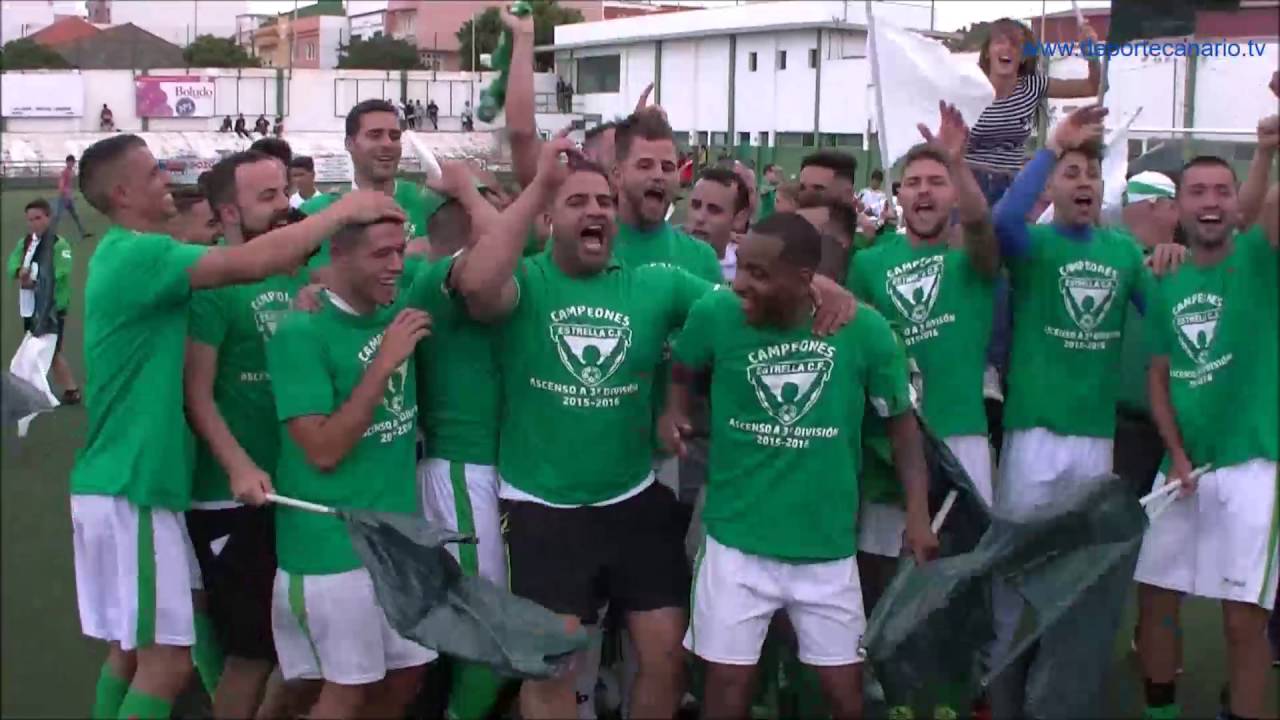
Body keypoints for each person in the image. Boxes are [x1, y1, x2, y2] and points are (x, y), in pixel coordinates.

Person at [67, 132, 402, 720]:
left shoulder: (139, 255)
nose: (166, 179)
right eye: (151, 174)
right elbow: (248, 262)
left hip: (130, 481)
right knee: (170, 664)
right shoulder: (139, 254)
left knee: (131, 655)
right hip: (133, 482)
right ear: (121, 193)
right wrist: (346, 209)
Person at [663, 212, 937, 720]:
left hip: (826, 548)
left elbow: (901, 425)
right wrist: (675, 409)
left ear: (804, 280)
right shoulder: (716, 313)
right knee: (725, 688)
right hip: (735, 544)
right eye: (741, 267)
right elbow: (683, 364)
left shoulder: (864, 331)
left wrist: (917, 514)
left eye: (759, 274)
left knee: (845, 695)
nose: (741, 283)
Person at [987, 105, 1155, 717]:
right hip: (1032, 435)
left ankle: (1058, 701)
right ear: (1053, 186)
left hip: (1094, 443)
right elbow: (1003, 218)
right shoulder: (1032, 247)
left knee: (1079, 583)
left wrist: (1171, 262)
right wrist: (1052, 149)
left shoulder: (1125, 253)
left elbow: (1164, 315)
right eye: (1072, 173)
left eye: (1092, 175)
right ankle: (1000, 696)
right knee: (1011, 568)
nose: (1084, 183)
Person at [266, 215, 446, 719]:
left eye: (399, 252)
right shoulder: (300, 333)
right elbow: (322, 449)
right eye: (380, 255)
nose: (395, 266)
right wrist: (384, 363)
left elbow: (453, 248)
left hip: (398, 541)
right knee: (346, 689)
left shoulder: (399, 301)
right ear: (337, 257)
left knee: (409, 673)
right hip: (331, 549)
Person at [1133, 154, 1278, 720]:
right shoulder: (1167, 278)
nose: (1211, 203)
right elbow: (1159, 376)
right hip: (1183, 469)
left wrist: (1269, 147)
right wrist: (1174, 454)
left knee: (1243, 619)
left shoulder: (1261, 259)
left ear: (1238, 201)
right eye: (1197, 192)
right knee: (1156, 600)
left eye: (1222, 191)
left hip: (1252, 464)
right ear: (1179, 207)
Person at [847, 105, 999, 603]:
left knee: (961, 573)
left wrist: (958, 162)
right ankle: (876, 673)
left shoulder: (971, 262)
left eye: (937, 181)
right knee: (880, 570)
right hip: (891, 442)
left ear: (952, 193)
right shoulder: (869, 264)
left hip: (961, 435)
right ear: (899, 195)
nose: (924, 191)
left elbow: (979, 225)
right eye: (913, 182)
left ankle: (963, 678)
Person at [183, 150, 307, 719]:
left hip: (290, 493)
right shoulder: (213, 286)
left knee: (297, 651)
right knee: (251, 655)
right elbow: (196, 393)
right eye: (268, 198)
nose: (284, 207)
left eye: (285, 193)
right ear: (229, 213)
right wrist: (237, 465)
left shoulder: (293, 273)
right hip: (233, 499)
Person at [968, 16, 1103, 454]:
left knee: (1009, 276)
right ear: (987, 50)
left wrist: (1092, 54)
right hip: (969, 185)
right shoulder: (964, 84)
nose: (1008, 48)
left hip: (1010, 188)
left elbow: (1089, 87)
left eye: (1018, 43)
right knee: (968, 272)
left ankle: (998, 367)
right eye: (1000, 41)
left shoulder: (1032, 88)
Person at [299, 99, 444, 268]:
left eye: (395, 136)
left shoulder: (429, 205)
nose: (387, 144)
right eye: (375, 135)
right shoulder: (313, 213)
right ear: (349, 143)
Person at [8, 198, 80, 403]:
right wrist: (18, 271)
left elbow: (61, 272)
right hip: (30, 306)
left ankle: (67, 389)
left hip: (52, 306)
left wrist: (34, 280)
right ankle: (69, 390)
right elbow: (12, 263)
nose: (33, 223)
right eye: (30, 219)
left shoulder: (59, 245)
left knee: (48, 350)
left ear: (49, 218)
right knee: (44, 349)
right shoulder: (25, 243)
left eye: (38, 218)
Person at [684, 166, 750, 281]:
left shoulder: (743, 277)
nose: (700, 218)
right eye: (696, 205)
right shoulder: (663, 261)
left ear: (739, 218)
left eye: (714, 210)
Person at [53, 154, 90, 241]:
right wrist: (66, 194)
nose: (72, 164)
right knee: (57, 217)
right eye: (70, 162)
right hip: (63, 198)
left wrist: (71, 195)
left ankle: (83, 233)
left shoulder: (71, 172)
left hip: (68, 198)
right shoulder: (65, 172)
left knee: (75, 216)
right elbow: (61, 185)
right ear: (67, 162)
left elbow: (68, 185)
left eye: (73, 162)